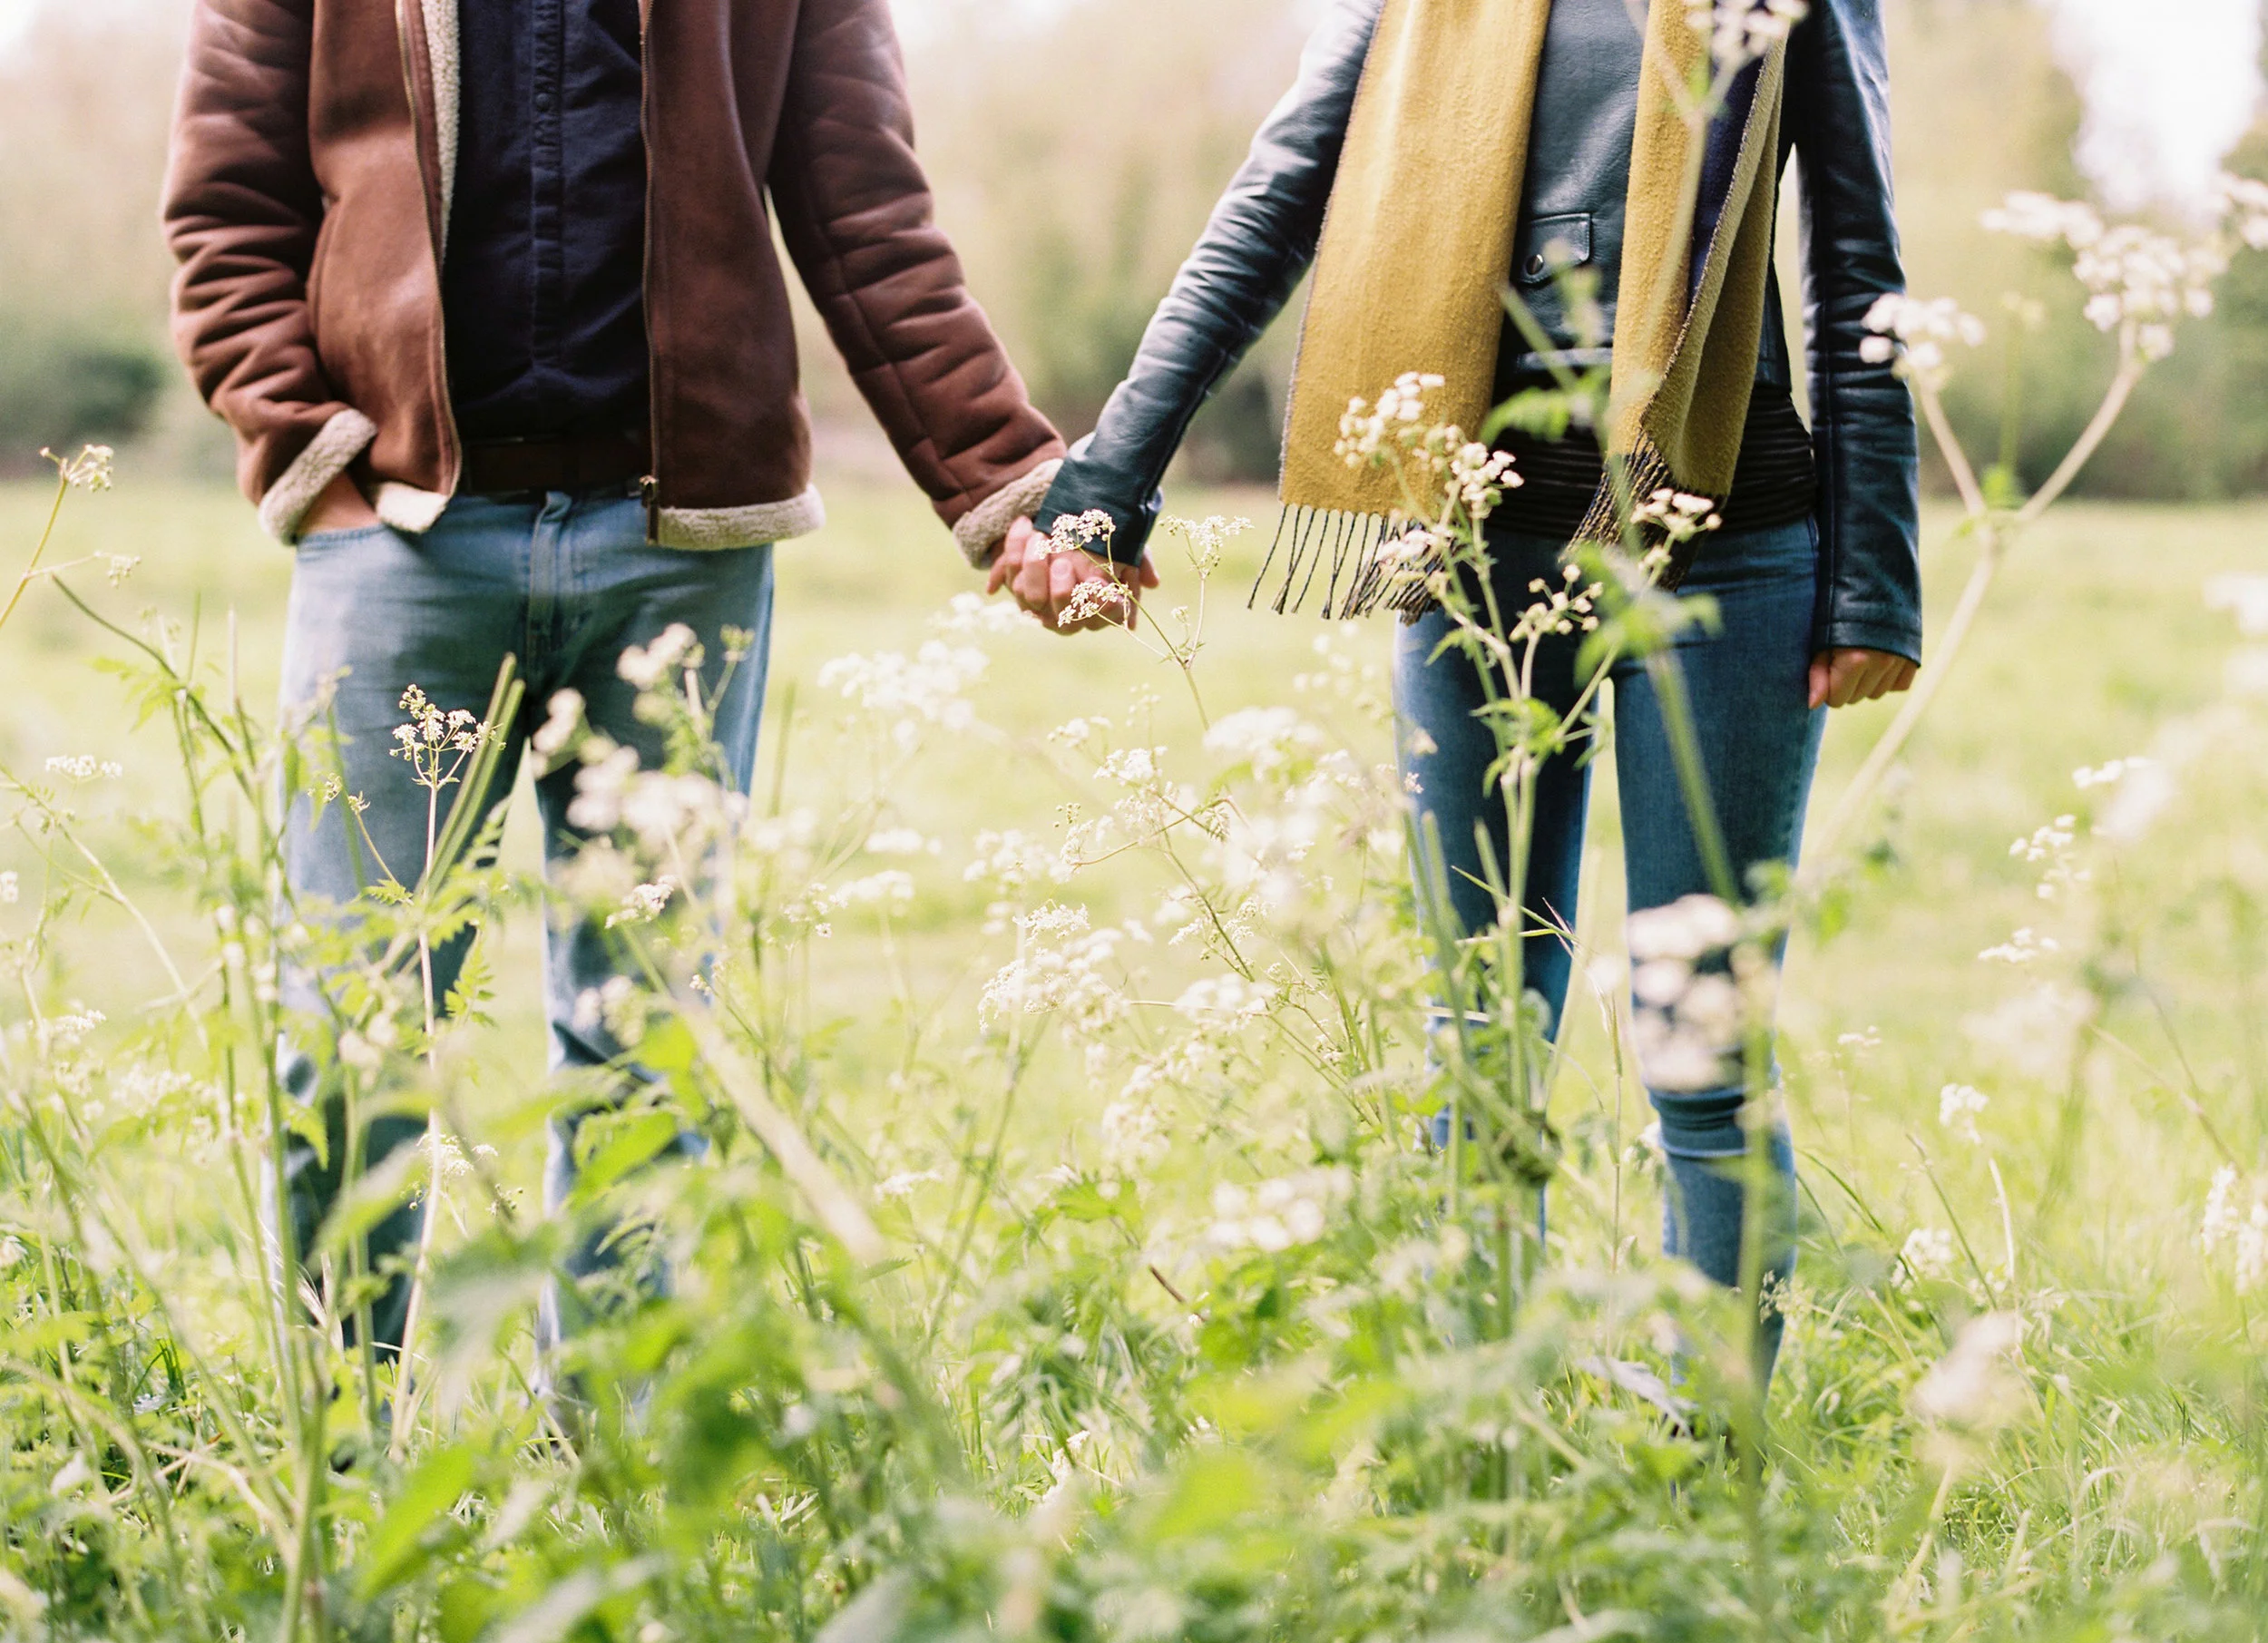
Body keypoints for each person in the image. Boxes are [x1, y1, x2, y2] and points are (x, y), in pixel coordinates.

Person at [994, 0, 1924, 1379]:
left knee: (1702, 1043)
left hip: (1723, 542)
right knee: (1476, 1033)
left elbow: (1858, 261)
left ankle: (1709, 1468)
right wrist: (1103, 483)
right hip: (1465, 544)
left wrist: (1875, 580)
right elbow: (1275, 205)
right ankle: (1480, 1437)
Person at [163, 0, 1076, 1359]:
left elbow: (866, 209)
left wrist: (1005, 485)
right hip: (402, 541)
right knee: (354, 1034)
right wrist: (314, 456)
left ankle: (615, 1485)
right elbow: (224, 206)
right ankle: (336, 1474)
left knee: (643, 1044)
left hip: (676, 550)